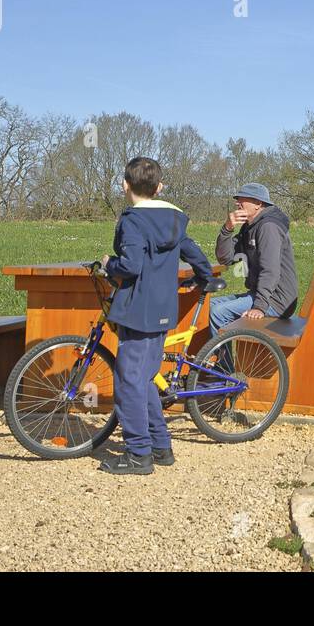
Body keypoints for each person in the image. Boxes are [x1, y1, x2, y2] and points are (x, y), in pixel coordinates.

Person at [99, 156, 212, 475]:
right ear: (159, 187)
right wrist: (204, 276)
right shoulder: (174, 219)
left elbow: (131, 265)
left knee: (128, 381)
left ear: (125, 184)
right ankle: (160, 447)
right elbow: (190, 250)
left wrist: (109, 265)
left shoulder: (133, 220)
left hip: (138, 310)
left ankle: (138, 454)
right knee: (145, 378)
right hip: (164, 309)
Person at [211, 183, 298, 334]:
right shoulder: (249, 227)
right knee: (208, 305)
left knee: (218, 312)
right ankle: (208, 354)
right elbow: (225, 259)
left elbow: (270, 271)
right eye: (237, 199)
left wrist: (259, 307)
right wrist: (227, 229)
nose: (238, 203)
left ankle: (220, 358)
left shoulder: (268, 227)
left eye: (242, 199)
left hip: (276, 301)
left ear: (258, 204)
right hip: (260, 295)